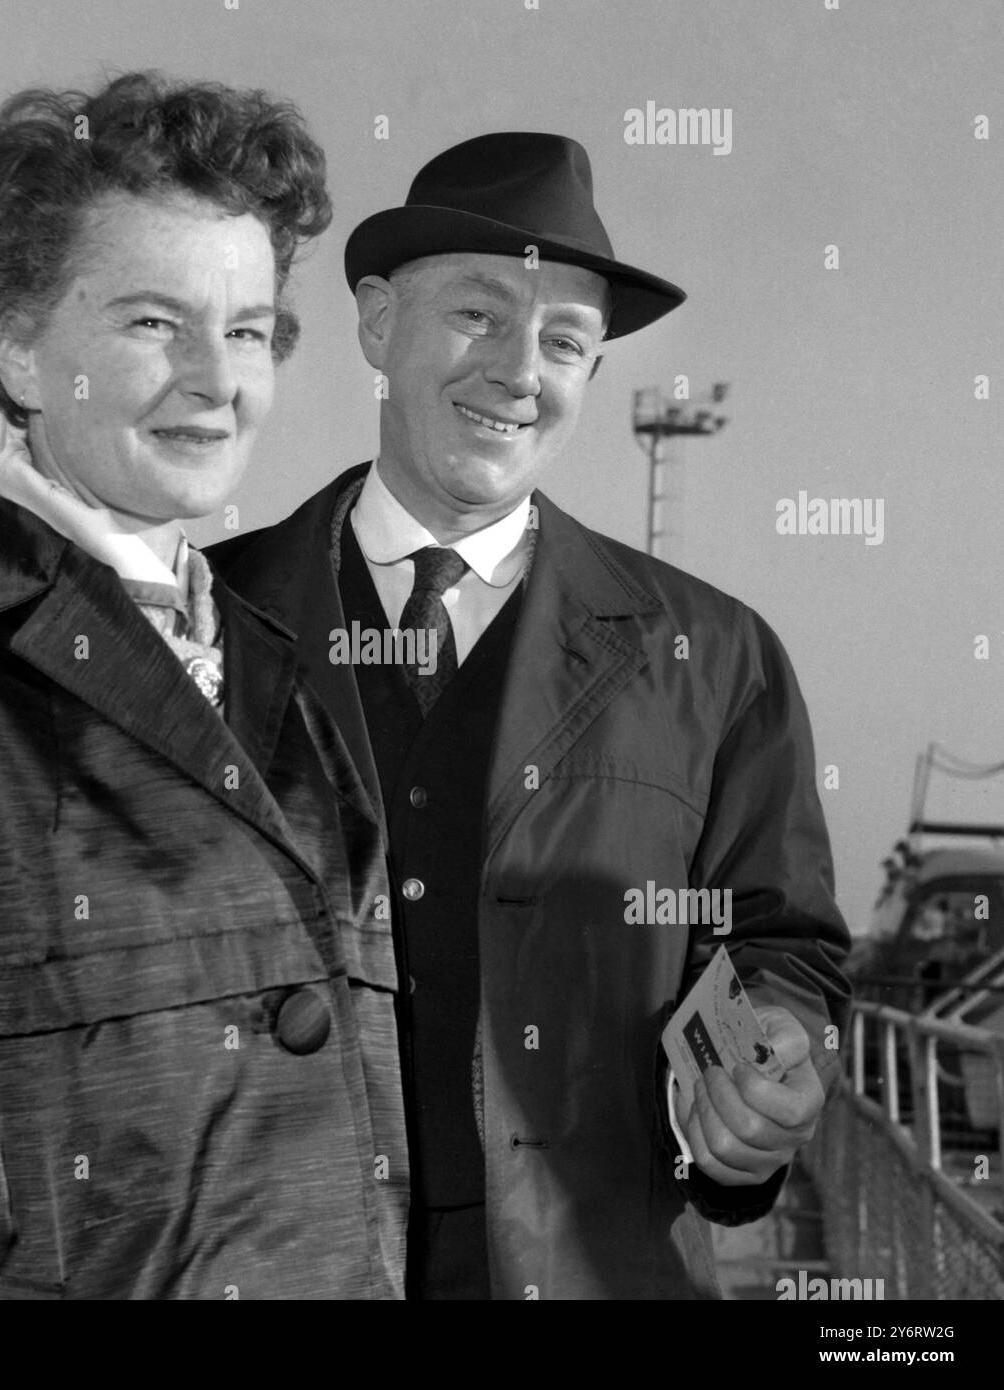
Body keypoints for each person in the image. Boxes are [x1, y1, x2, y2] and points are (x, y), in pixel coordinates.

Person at [0, 73, 406, 1300]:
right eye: (154, 324)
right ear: (19, 348)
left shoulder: (284, 676)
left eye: (251, 329)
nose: (220, 381)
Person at [208, 131, 853, 1299]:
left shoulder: (716, 658)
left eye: (564, 340)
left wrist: (772, 1068)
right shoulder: (193, 624)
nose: (520, 371)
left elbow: (781, 944)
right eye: (478, 314)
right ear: (375, 323)